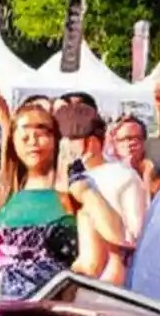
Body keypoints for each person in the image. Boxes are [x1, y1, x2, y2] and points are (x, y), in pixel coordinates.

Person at [0, 104, 124, 300]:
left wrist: (85, 191)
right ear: (13, 142)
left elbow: (111, 238)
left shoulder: (74, 191)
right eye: (24, 136)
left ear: (56, 138)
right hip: (4, 310)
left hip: (61, 308)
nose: (33, 142)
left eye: (42, 132)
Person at [54, 103, 149, 285]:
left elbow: (135, 237)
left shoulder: (123, 176)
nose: (62, 147)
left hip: (104, 285)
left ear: (92, 142)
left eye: (69, 139)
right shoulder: (50, 179)